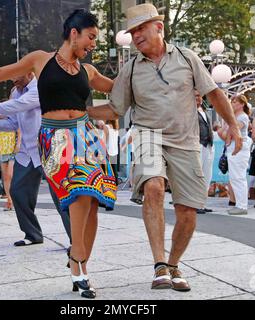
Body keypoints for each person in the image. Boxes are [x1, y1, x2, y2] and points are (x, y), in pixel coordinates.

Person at [0, 10, 116, 298]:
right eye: (91, 37)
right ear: (74, 33)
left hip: (85, 136)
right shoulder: (41, 60)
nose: (93, 44)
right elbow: (1, 73)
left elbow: (119, 89)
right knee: (80, 194)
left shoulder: (87, 71)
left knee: (91, 205)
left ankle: (79, 260)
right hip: (54, 138)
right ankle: (79, 264)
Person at [87, 3, 242, 292]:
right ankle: (159, 265)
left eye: (140, 29)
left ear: (158, 28)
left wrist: (232, 126)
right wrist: (81, 112)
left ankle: (173, 264)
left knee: (188, 210)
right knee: (154, 187)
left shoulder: (187, 57)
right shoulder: (131, 67)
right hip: (148, 135)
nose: (135, 37)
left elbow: (214, 92)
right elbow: (114, 107)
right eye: (132, 32)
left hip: (185, 140)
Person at [0, 73, 72, 248]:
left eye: (16, 76)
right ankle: (33, 234)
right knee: (18, 192)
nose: (12, 81)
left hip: (49, 149)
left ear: (29, 73)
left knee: (61, 197)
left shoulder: (39, 88)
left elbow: (16, 106)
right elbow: (12, 123)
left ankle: (77, 242)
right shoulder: (15, 91)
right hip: (27, 153)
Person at [216, 95, 252, 215]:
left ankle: (242, 205)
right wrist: (222, 130)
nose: (232, 104)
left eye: (235, 102)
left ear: (242, 104)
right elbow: (224, 136)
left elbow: (228, 134)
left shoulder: (242, 117)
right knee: (234, 178)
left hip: (239, 148)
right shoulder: (233, 117)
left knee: (238, 177)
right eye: (231, 102)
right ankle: (239, 204)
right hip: (233, 147)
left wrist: (222, 129)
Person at [195, 91, 214, 214]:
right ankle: (196, 204)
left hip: (208, 146)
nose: (199, 98)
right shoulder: (189, 112)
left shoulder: (206, 111)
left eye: (200, 96)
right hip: (197, 145)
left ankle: (202, 203)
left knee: (207, 175)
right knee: (198, 175)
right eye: (196, 96)